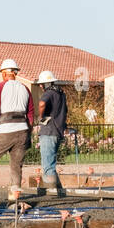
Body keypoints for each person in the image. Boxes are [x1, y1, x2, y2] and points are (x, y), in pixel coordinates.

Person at [0, 59, 36, 202]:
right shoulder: (25, 88)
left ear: (4, 74)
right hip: (22, 131)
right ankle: (13, 201)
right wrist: (28, 134)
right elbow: (31, 114)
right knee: (16, 166)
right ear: (15, 73)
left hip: (6, 131)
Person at [36, 70, 67, 198]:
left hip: (48, 131)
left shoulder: (49, 93)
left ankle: (47, 192)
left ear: (45, 84)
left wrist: (41, 116)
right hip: (58, 131)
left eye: (41, 84)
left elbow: (42, 103)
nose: (40, 87)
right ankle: (59, 191)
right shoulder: (61, 94)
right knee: (51, 163)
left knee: (48, 165)